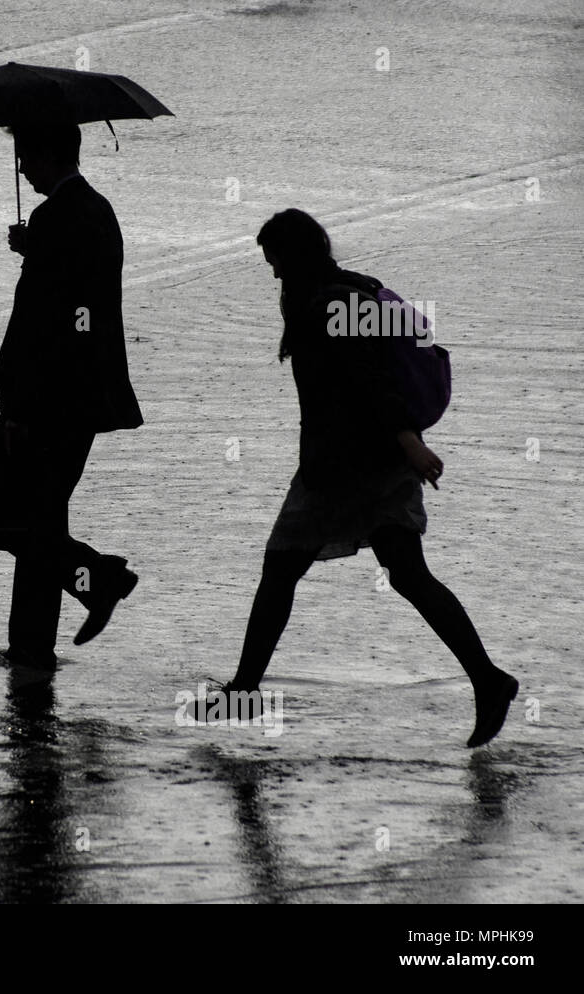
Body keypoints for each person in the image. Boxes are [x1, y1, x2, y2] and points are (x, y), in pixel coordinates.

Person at [208, 208, 517, 747]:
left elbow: (369, 381)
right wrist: (405, 446)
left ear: (296, 257)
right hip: (375, 463)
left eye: (277, 263)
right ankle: (488, 680)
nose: (276, 275)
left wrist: (410, 442)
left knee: (280, 571)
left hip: (347, 467)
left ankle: (245, 692)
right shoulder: (350, 293)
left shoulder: (331, 305)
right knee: (407, 574)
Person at [0, 123, 143, 668]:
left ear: (49, 153)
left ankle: (95, 582)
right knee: (42, 514)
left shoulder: (54, 217)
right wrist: (37, 248)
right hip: (87, 392)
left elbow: (37, 321)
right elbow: (82, 291)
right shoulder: (97, 210)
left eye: (26, 155)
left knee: (20, 517)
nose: (23, 168)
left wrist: (15, 404)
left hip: (49, 398)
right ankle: (32, 647)